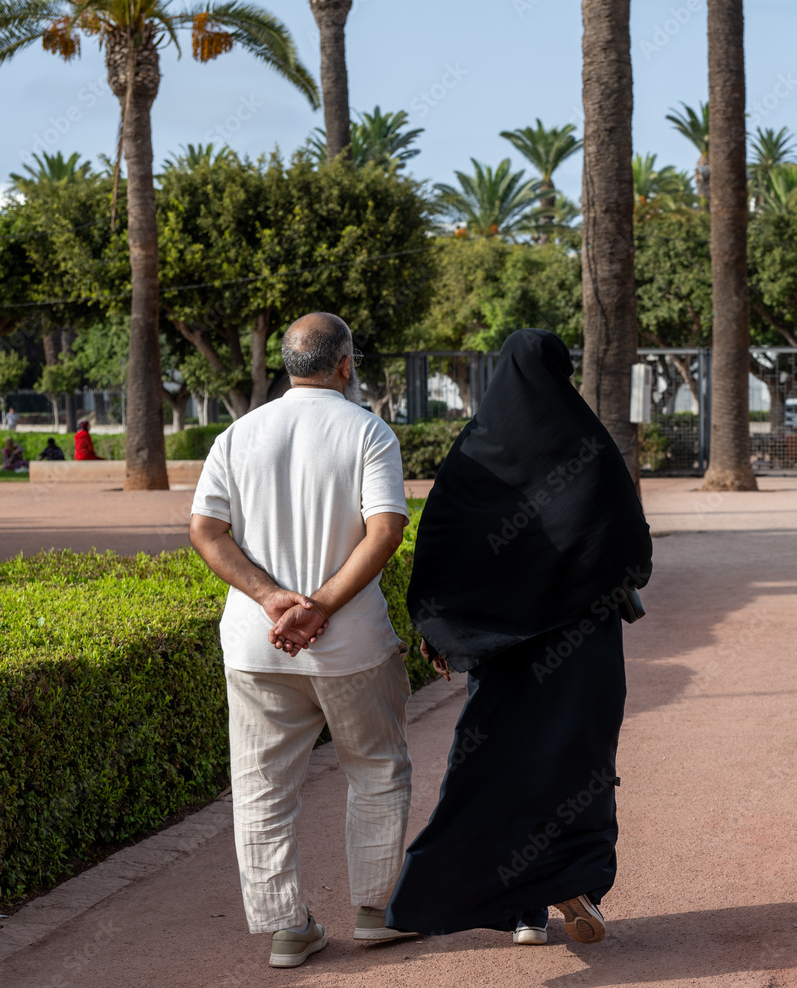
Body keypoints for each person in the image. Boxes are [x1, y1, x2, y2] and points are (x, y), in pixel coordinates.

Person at [385, 328, 653, 948]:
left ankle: (520, 912)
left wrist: (438, 632)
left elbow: (443, 547)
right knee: (577, 760)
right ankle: (570, 877)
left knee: (499, 761)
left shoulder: (474, 455)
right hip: (583, 648)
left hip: (501, 650)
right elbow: (628, 547)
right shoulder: (590, 446)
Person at [189, 312, 416, 970]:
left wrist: (270, 600)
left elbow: (206, 530)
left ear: (288, 364)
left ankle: (288, 930)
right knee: (375, 770)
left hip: (257, 645)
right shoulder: (368, 431)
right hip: (352, 646)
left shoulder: (238, 435)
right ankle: (375, 911)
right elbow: (386, 531)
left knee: (262, 787)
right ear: (345, 364)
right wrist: (318, 607)